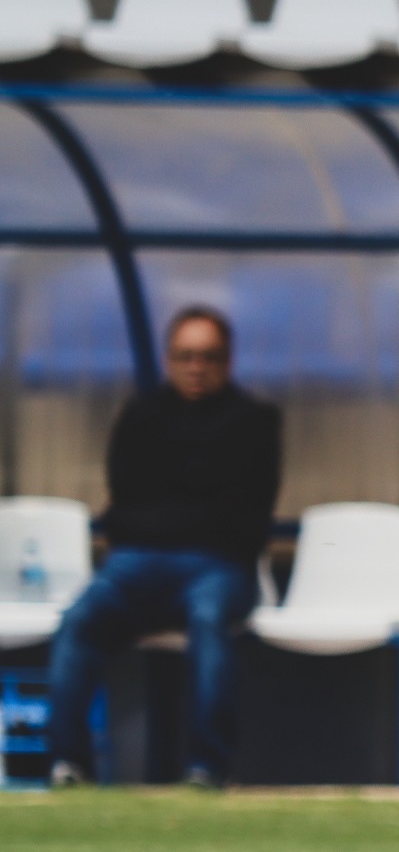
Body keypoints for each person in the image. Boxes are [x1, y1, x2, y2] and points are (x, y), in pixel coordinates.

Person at [47, 308, 281, 790]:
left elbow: (247, 519)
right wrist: (192, 515)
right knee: (78, 621)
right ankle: (70, 764)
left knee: (209, 621)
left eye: (208, 357)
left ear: (228, 361)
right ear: (168, 359)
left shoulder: (254, 421)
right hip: (135, 563)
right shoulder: (142, 415)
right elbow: (121, 509)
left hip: (218, 566)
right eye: (185, 356)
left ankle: (208, 767)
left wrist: (166, 519)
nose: (196, 367)